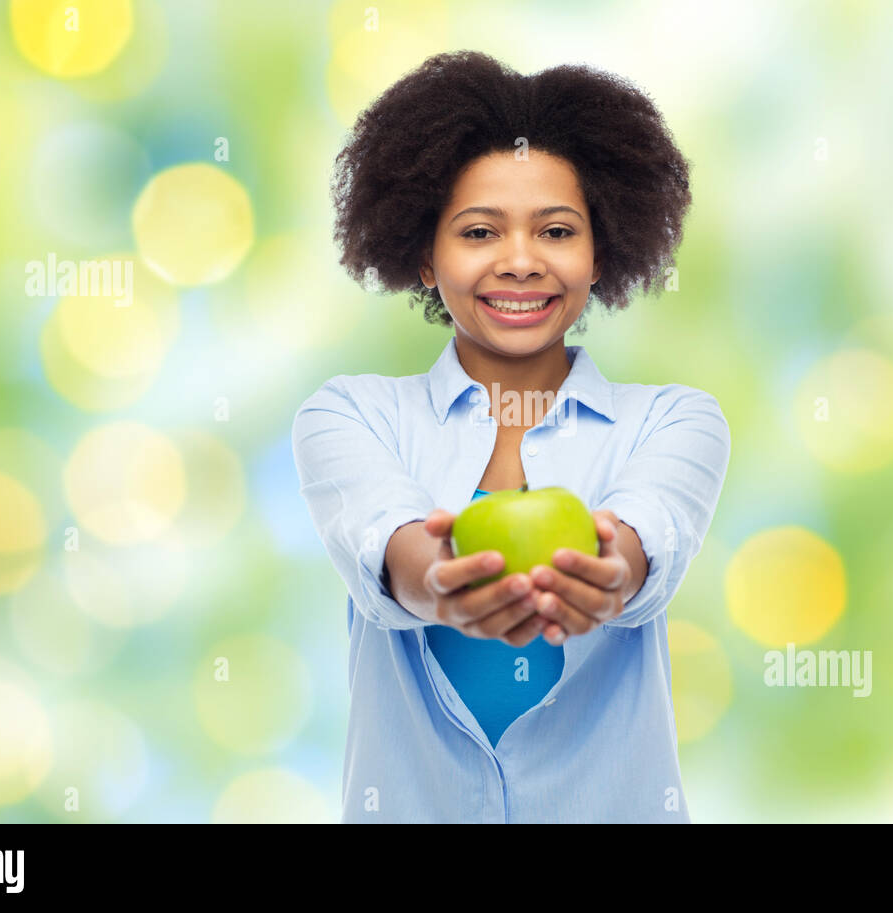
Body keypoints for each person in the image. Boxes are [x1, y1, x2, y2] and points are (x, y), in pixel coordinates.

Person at [292, 51, 729, 823]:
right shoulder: (351, 415)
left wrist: (606, 573)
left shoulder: (673, 419)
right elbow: (389, 546)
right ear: (425, 256)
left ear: (600, 254)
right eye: (480, 231)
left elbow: (644, 540)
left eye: (557, 230)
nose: (520, 261)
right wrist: (445, 587)